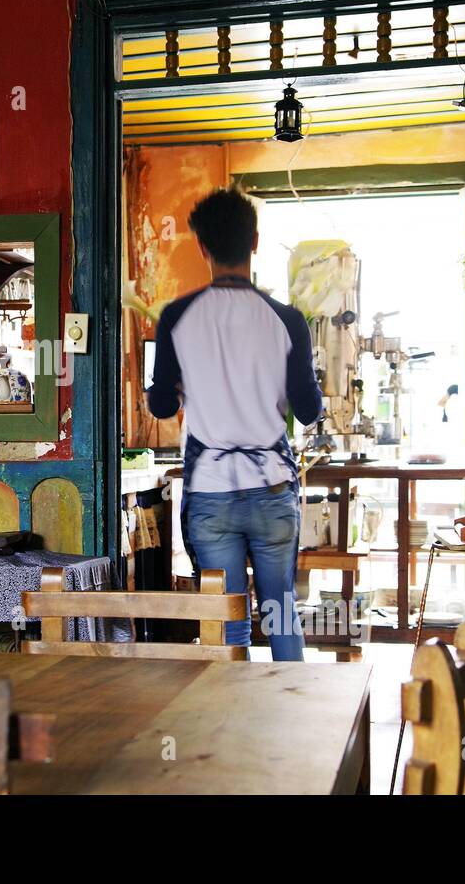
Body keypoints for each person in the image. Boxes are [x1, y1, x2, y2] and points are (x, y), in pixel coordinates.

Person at [147, 188, 322, 659]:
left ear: (202, 247)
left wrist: (182, 384)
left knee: (227, 625)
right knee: (281, 614)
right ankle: (294, 727)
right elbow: (308, 409)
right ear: (256, 242)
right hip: (272, 488)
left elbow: (161, 405)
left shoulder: (176, 317)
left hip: (211, 490)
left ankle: (234, 731)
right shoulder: (288, 320)